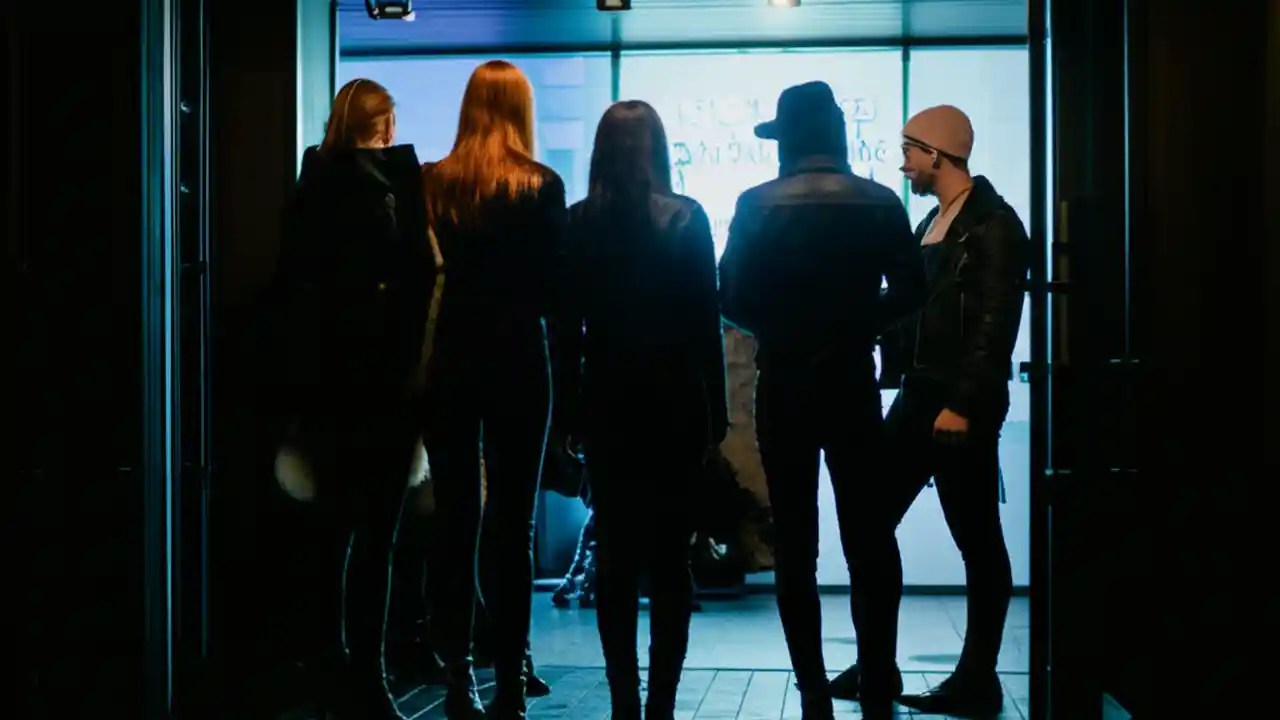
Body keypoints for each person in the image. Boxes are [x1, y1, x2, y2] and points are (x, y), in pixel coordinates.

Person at [718, 81, 925, 720]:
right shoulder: (879, 201)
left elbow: (730, 296)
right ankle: (878, 674)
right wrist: (859, 323)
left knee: (795, 544)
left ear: (788, 139)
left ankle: (811, 688)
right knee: (869, 536)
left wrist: (781, 328)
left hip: (784, 383)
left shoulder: (756, 204)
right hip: (850, 382)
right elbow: (912, 290)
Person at [265, 77, 432, 719]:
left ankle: (330, 668)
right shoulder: (392, 189)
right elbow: (414, 278)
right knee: (377, 539)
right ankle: (368, 677)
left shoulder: (311, 189)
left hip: (327, 391)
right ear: (384, 124)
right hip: (384, 388)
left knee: (331, 535)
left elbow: (292, 293)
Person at [556, 100, 728, 720]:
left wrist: (569, 415)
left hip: (609, 405)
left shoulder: (578, 222)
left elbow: (566, 332)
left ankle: (624, 699)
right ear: (658, 148)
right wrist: (716, 415)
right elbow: (705, 324)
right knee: (671, 562)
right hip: (676, 403)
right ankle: (662, 703)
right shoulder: (687, 217)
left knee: (617, 560)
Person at [864, 104, 1029, 716]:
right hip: (920, 395)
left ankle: (977, 676)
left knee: (977, 540)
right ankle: (877, 663)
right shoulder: (935, 222)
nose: (903, 163)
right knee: (871, 520)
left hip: (957, 402)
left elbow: (994, 326)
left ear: (935, 153)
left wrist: (963, 403)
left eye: (909, 150)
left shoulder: (993, 225)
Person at [419, 59, 567, 720]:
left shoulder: (434, 182)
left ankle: (457, 676)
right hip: (519, 361)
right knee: (513, 525)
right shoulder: (540, 185)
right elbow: (555, 292)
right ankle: (510, 677)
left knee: (456, 520)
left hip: (451, 360)